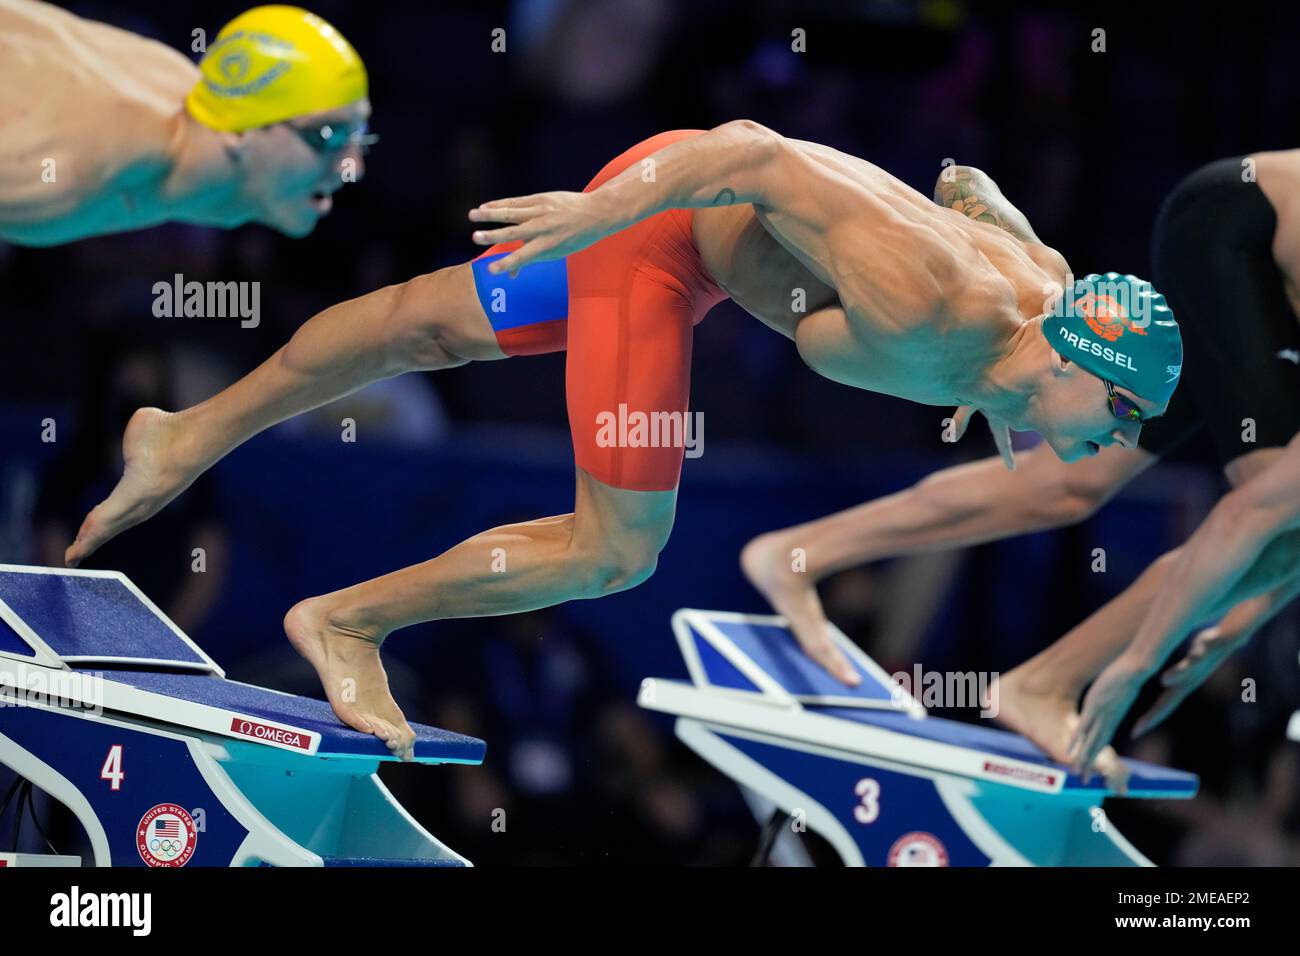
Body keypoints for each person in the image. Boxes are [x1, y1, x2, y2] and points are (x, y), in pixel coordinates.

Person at [60, 122, 1179, 759]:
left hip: (687, 252)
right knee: (617, 549)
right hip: (655, 228)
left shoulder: (1049, 311)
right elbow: (751, 149)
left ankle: (183, 432)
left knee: (430, 328)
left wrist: (985, 211)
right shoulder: (927, 291)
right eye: (1120, 419)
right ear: (1078, 365)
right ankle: (349, 621)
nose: (1110, 449)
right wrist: (603, 214)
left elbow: (1024, 259)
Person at [743, 153, 1300, 781]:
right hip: (1236, 228)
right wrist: (1138, 663)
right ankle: (1048, 684)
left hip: (1259, 262)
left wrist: (1241, 610)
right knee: (1268, 519)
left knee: (1069, 485)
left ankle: (799, 552)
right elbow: (1256, 516)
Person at [0, 2, 372, 245]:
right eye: (326, 135)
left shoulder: (190, 91)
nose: (353, 166)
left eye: (360, 136)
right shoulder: (67, 172)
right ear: (238, 130)